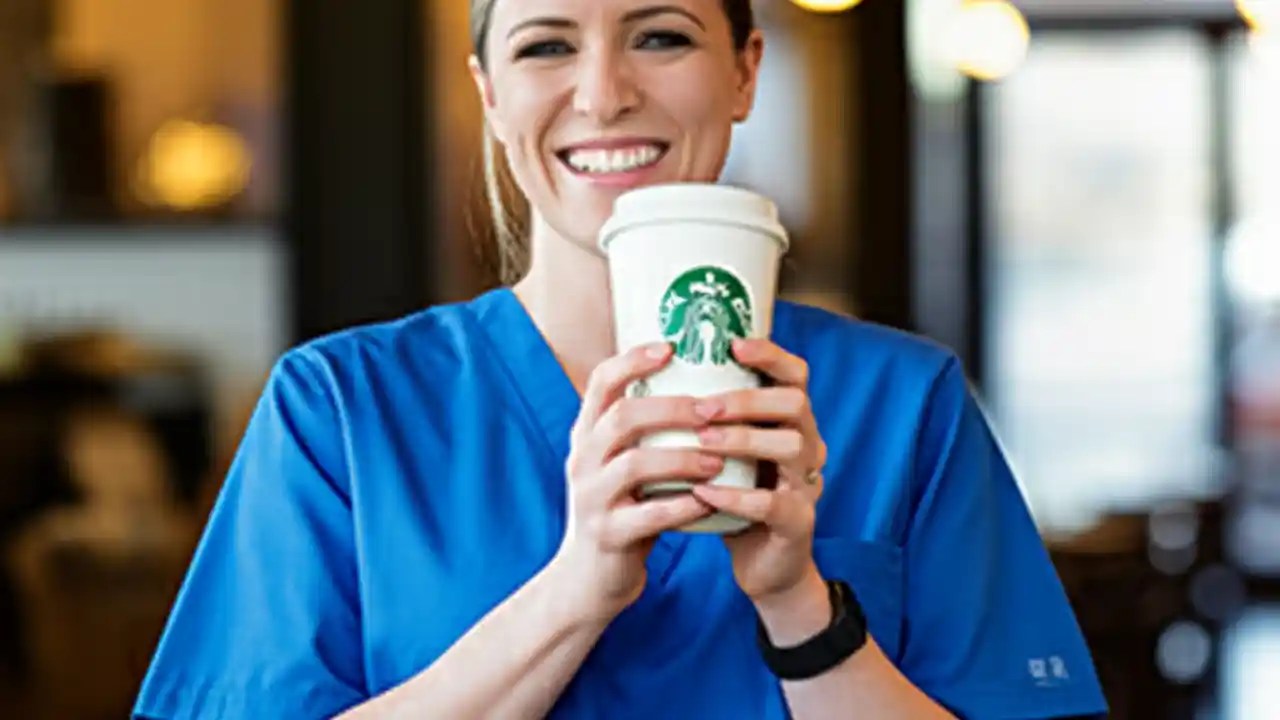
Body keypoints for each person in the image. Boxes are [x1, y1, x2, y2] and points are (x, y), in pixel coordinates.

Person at [134, 1, 1109, 718]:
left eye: (661, 36)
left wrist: (799, 605)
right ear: (489, 92)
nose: (602, 94)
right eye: (546, 46)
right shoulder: (341, 409)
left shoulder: (902, 403)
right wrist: (578, 588)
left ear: (743, 71)